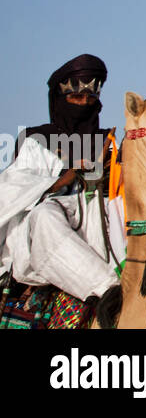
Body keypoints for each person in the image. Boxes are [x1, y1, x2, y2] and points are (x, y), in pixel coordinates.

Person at [0, 54, 121, 303]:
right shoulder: (36, 140)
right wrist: (61, 180)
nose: (84, 104)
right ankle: (108, 291)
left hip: (101, 224)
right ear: (60, 100)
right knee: (44, 215)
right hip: (45, 229)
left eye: (90, 99)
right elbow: (10, 193)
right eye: (77, 98)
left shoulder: (108, 143)